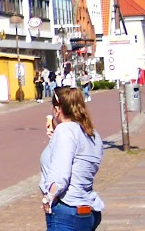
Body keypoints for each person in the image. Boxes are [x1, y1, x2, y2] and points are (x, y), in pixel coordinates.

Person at [40, 86, 103, 230]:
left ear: (58, 109)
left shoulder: (65, 131)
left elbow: (61, 175)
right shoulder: (92, 133)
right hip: (88, 209)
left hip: (66, 210)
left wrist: (48, 198)